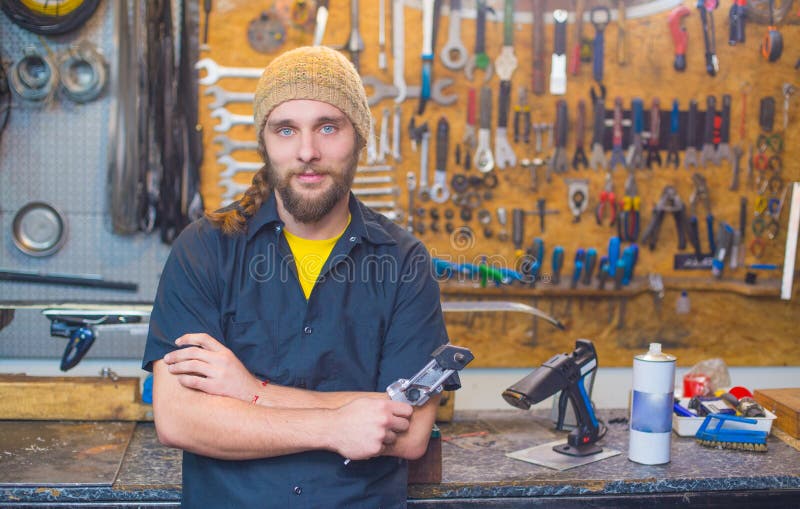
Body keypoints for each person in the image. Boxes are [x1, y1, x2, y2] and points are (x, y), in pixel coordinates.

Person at [142, 45, 451, 508]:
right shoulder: (203, 249)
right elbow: (179, 418)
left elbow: (409, 435)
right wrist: (336, 425)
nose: (307, 151)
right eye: (286, 129)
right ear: (265, 142)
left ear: (359, 138)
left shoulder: (404, 262)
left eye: (328, 127)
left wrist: (250, 391)